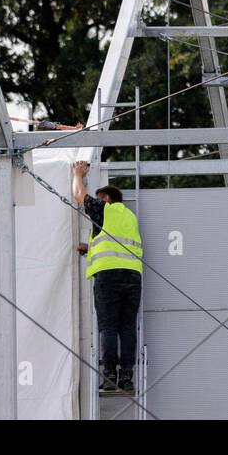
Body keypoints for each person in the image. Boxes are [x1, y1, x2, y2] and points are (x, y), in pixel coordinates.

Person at [71, 161, 143, 394]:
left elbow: (78, 195)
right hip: (132, 276)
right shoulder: (129, 217)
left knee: (108, 327)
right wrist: (89, 248)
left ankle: (110, 375)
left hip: (108, 277)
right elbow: (113, 242)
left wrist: (78, 174)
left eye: (99, 197)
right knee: (127, 328)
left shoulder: (105, 209)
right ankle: (127, 377)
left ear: (107, 199)